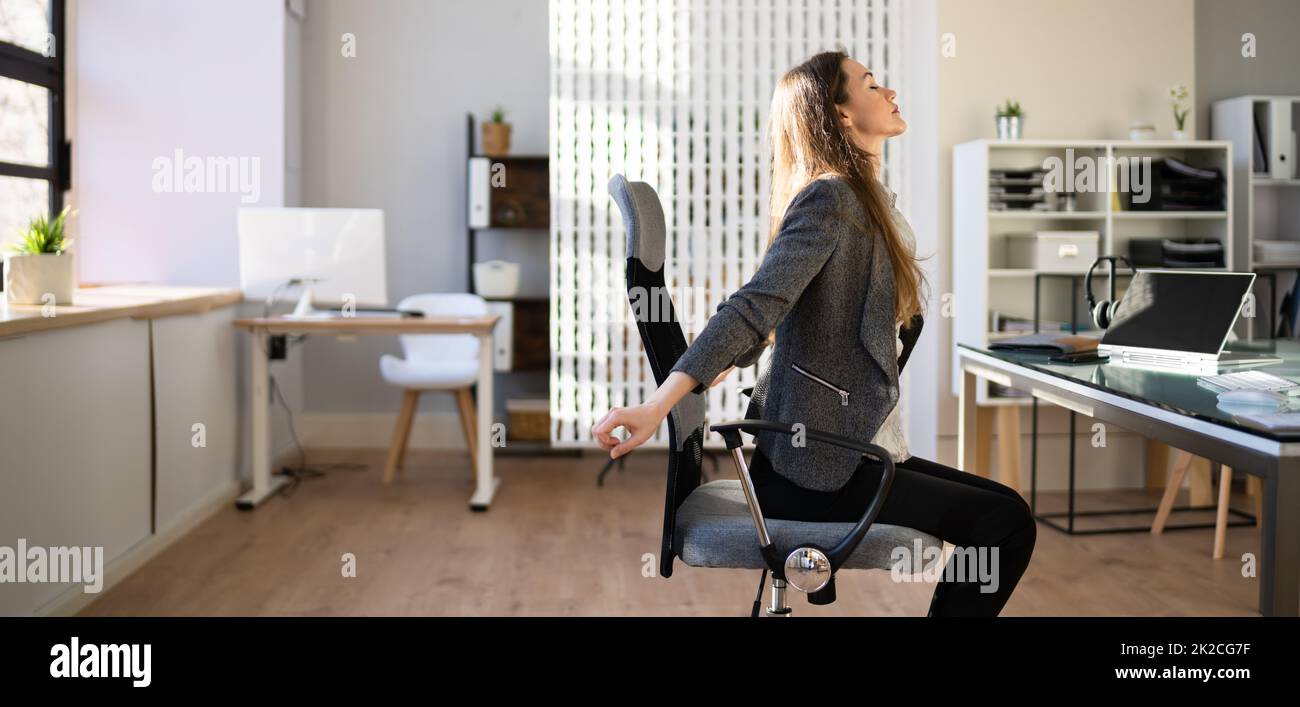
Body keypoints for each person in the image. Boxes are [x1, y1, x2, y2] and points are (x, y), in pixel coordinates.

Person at [592, 50, 1037, 616]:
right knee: (1003, 524)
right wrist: (658, 406)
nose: (890, 92)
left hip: (852, 450)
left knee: (1006, 510)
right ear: (841, 114)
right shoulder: (833, 198)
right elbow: (755, 303)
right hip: (816, 471)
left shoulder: (863, 201)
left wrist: (744, 351)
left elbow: (786, 308)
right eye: (872, 84)